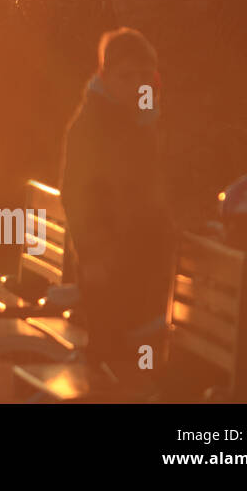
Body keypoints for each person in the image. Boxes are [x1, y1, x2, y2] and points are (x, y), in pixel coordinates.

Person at [59, 27, 174, 379]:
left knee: (140, 355)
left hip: (141, 267)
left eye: (145, 76)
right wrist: (93, 255)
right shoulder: (94, 125)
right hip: (109, 273)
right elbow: (76, 193)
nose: (137, 84)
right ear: (105, 76)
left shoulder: (141, 121)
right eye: (126, 76)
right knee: (117, 360)